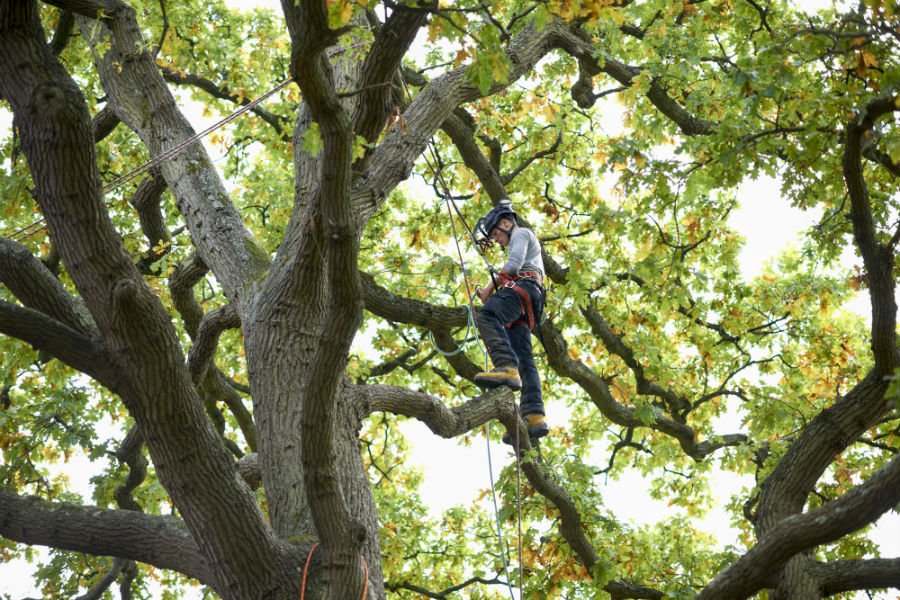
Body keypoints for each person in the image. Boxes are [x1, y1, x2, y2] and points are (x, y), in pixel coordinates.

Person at [472, 200, 548, 441]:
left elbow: (514, 265)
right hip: (529, 302)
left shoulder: (521, 234)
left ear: (506, 223)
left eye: (495, 233)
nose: (496, 240)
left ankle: (505, 365)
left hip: (523, 288)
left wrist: (487, 291)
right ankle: (534, 415)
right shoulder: (521, 239)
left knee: (488, 316)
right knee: (524, 358)